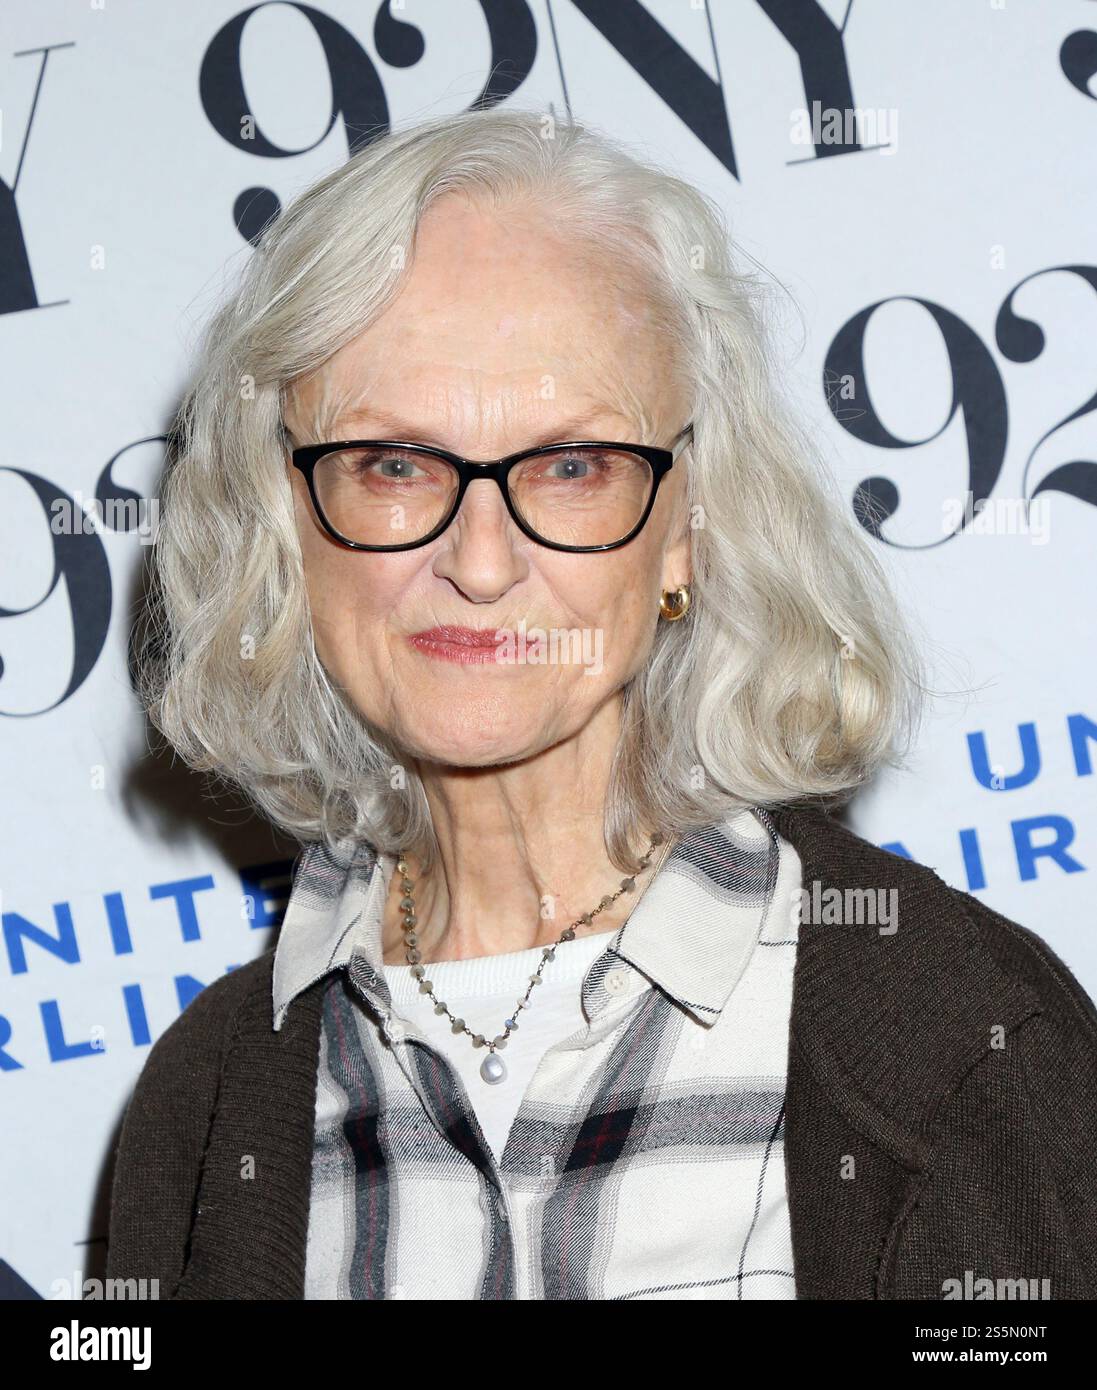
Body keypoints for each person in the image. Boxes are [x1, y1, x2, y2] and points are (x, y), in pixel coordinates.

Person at [105, 107, 1097, 1300]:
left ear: (687, 525)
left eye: (571, 465)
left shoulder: (956, 1033)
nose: (479, 560)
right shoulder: (206, 1106)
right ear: (287, 528)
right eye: (392, 463)